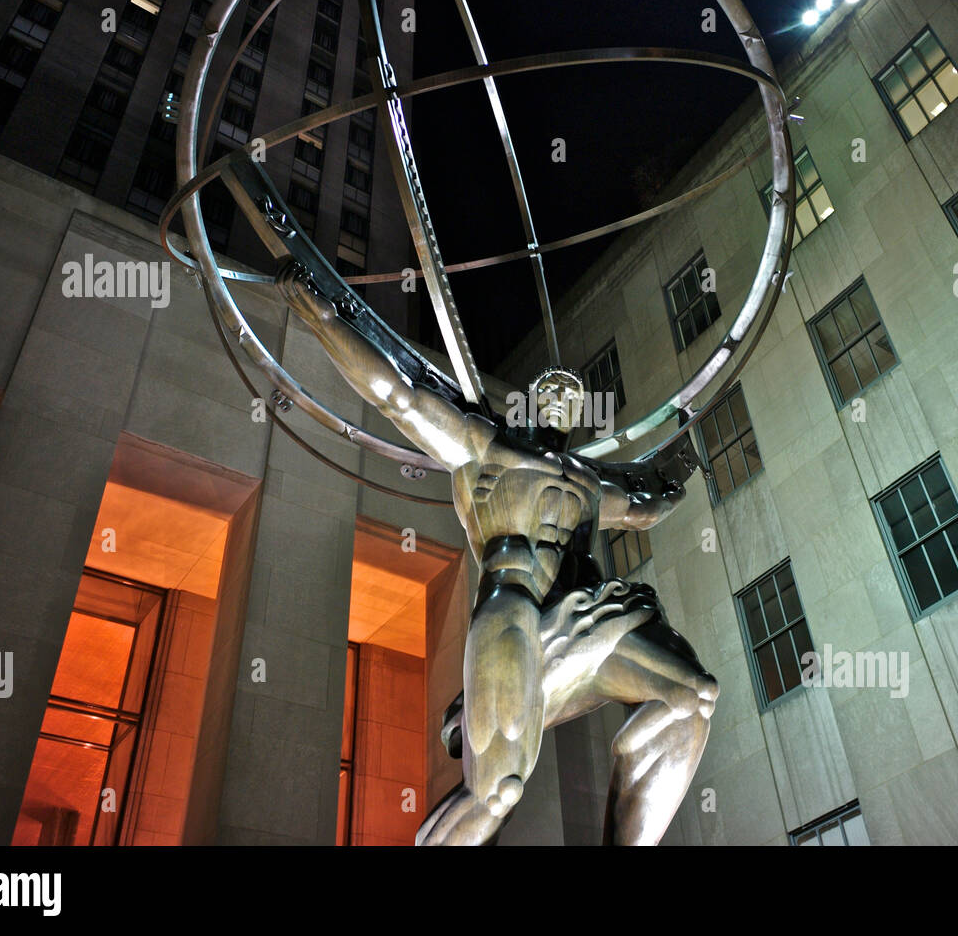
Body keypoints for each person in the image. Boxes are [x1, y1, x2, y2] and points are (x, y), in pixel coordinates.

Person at [279, 269, 718, 845]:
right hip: (513, 621)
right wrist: (323, 317)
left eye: (575, 396)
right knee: (499, 790)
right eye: (554, 391)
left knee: (691, 695)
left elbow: (647, 503)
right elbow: (397, 396)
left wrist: (684, 456)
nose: (566, 399)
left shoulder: (590, 480)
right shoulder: (486, 448)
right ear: (534, 401)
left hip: (587, 623)